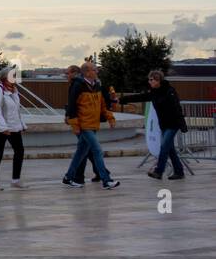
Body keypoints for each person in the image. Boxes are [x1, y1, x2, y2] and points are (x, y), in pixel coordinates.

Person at [120, 70, 189, 180]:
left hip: (173, 124)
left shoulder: (169, 91)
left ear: (158, 80)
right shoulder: (154, 92)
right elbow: (140, 97)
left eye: (151, 80)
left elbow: (177, 109)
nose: (149, 82)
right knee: (170, 149)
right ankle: (179, 171)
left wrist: (182, 125)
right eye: (149, 79)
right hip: (164, 125)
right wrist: (122, 100)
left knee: (164, 147)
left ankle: (159, 171)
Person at [63, 61, 119, 189]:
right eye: (95, 69)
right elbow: (71, 106)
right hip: (84, 125)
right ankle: (106, 180)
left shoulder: (96, 85)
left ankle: (68, 177)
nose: (97, 72)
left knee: (81, 152)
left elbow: (102, 105)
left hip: (93, 125)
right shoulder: (77, 85)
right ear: (87, 72)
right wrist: (75, 125)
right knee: (97, 150)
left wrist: (110, 117)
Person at [0, 67, 25, 190]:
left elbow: (16, 111)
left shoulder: (14, 91)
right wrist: (3, 127)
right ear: (5, 77)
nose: (15, 79)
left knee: (19, 151)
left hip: (14, 128)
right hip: (0, 129)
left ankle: (15, 179)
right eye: (13, 76)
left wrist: (22, 125)